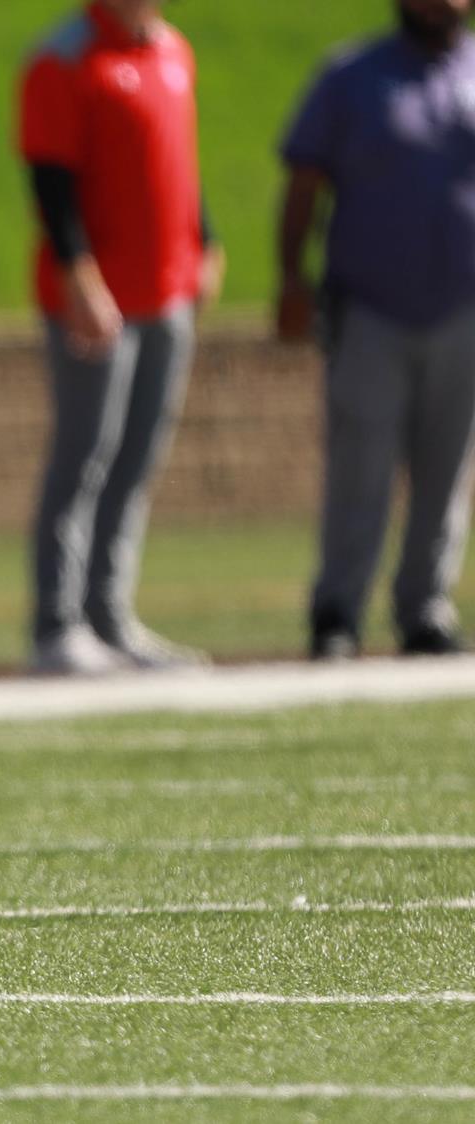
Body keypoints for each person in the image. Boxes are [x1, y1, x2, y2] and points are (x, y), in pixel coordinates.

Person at [20, 0, 222, 676]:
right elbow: (51, 179)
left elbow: (178, 160)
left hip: (167, 292)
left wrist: (206, 242)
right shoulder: (65, 56)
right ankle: (58, 623)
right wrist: (81, 277)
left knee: (138, 460)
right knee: (85, 458)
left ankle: (111, 615)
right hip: (96, 299)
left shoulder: (173, 49)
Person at [279, 0, 475, 660]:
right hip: (372, 306)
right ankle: (338, 610)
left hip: (464, 307)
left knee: (448, 470)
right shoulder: (352, 76)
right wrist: (290, 277)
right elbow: (304, 180)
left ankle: (425, 609)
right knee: (360, 467)